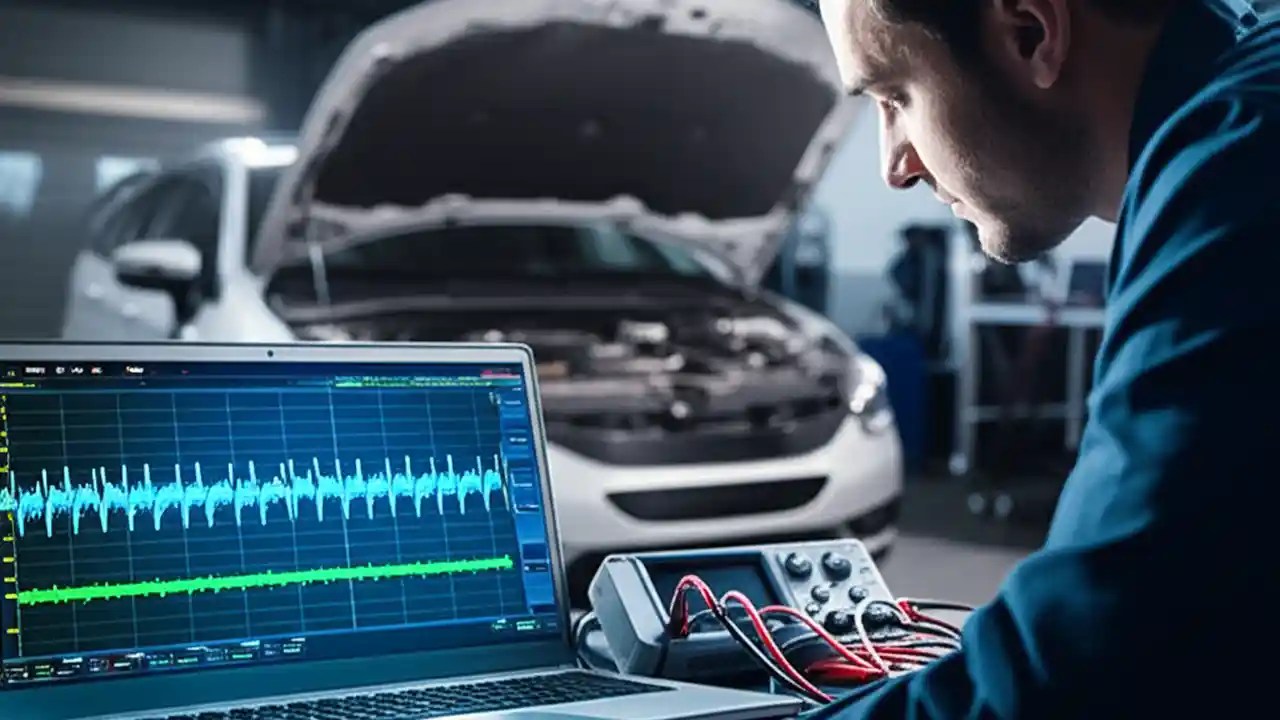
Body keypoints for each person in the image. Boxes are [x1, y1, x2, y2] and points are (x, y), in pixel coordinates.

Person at [803, 0, 1280, 717]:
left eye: (896, 95)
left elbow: (1090, 662)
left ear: (1032, 31)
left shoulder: (1241, 156)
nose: (893, 166)